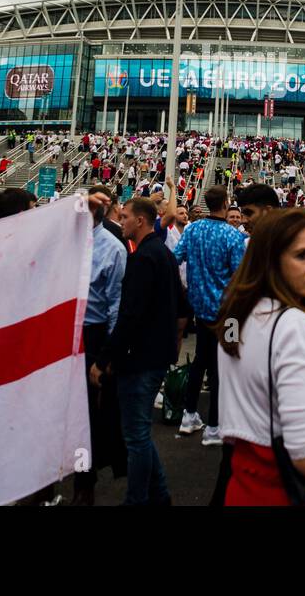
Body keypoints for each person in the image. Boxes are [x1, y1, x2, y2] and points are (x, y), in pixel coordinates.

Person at [215, 208, 305, 506]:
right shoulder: (293, 325)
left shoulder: (236, 315)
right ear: (270, 262)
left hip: (243, 483)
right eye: (302, 255)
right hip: (289, 491)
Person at [90, 197, 181, 506]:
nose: (121, 220)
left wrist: (104, 359)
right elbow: (181, 305)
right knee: (139, 433)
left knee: (136, 438)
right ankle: (159, 495)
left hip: (141, 358)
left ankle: (137, 500)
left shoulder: (144, 258)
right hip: (155, 355)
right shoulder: (162, 253)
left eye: (125, 216)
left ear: (140, 221)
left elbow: (130, 316)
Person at [173, 186, 246, 446]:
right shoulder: (232, 235)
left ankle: (189, 414)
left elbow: (176, 257)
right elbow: (240, 275)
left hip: (199, 306)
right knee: (220, 366)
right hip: (226, 312)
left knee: (201, 362)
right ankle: (214, 426)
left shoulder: (192, 229)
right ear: (226, 204)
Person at [72, 186, 128, 506]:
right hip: (62, 333)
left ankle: (85, 481)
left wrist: (107, 355)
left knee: (87, 415)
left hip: (91, 337)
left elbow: (114, 306)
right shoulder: (64, 240)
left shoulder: (113, 248)